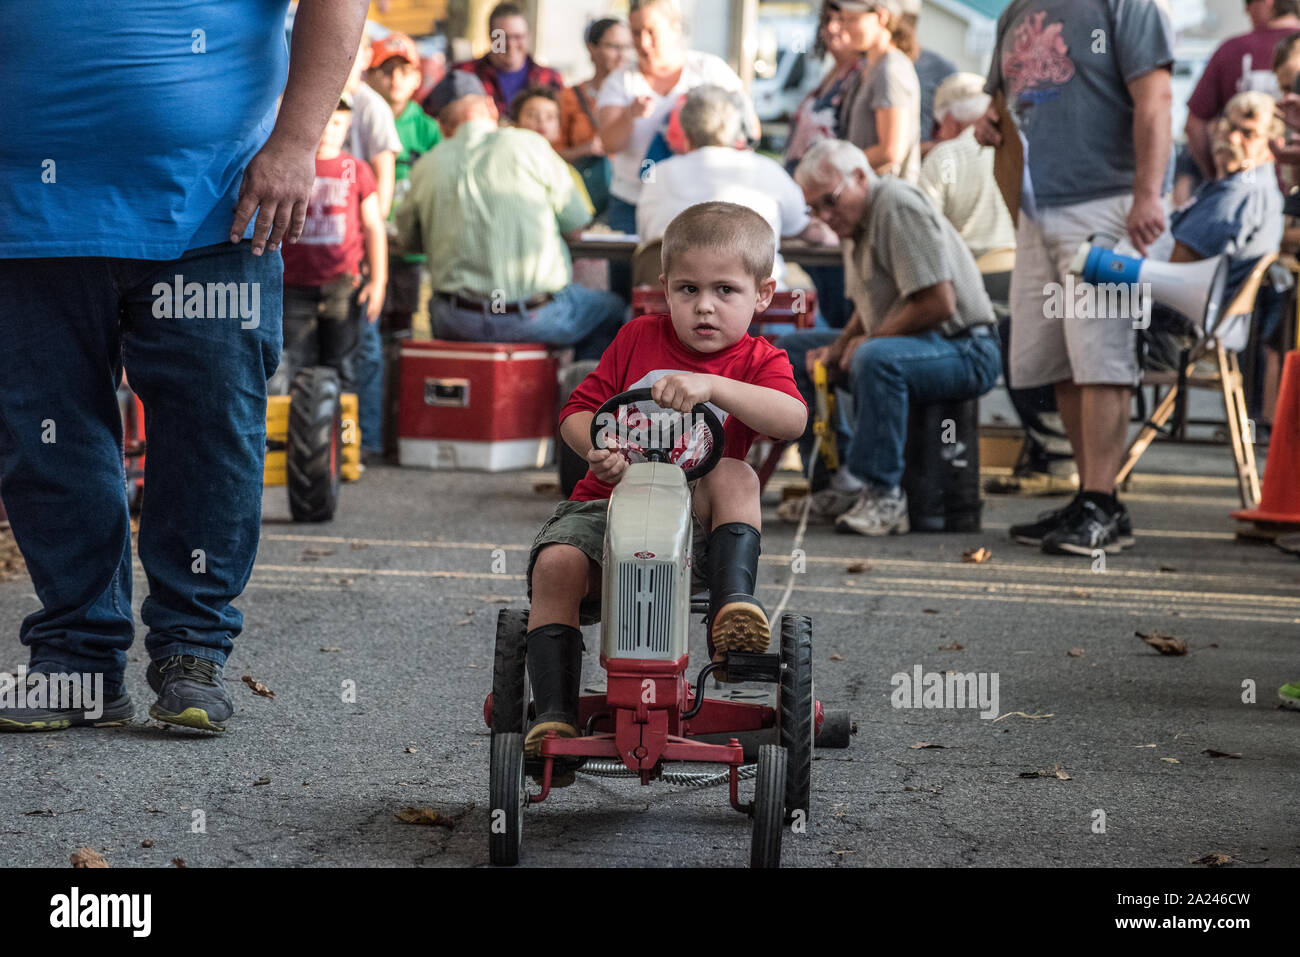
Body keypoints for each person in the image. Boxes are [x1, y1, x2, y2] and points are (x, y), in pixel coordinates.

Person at [0, 0, 366, 733]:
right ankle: (75, 658)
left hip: (216, 204)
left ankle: (192, 649)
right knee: (47, 436)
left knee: (210, 428)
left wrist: (297, 141)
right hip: (24, 209)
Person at [523, 202, 807, 775]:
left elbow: (791, 419)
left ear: (762, 294)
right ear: (664, 289)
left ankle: (732, 610)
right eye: (688, 289)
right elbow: (577, 412)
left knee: (734, 470)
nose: (704, 305)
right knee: (555, 565)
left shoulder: (758, 359)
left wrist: (715, 387)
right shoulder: (636, 338)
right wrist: (597, 452)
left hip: (694, 535)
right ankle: (554, 713)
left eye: (725, 290)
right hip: (608, 508)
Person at [976, 0, 1175, 557]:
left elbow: (1156, 98)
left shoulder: (1126, 5)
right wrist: (989, 119)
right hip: (1038, 213)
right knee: (1061, 359)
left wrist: (1147, 194)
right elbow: (1001, 103)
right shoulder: (1015, 11)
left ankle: (1101, 498)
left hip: (1108, 203)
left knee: (1102, 359)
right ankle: (1092, 498)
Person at [777, 140, 1001, 534]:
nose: (825, 216)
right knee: (793, 352)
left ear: (861, 177)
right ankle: (841, 481)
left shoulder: (895, 204)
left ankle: (883, 494)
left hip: (967, 347)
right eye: (816, 208)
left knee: (874, 356)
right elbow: (869, 308)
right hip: (928, 342)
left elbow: (938, 304)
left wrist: (865, 342)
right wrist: (840, 345)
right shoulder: (856, 220)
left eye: (830, 201)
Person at [397, 73, 625, 361]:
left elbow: (408, 242)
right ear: (491, 108)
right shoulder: (530, 146)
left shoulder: (425, 166)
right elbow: (577, 227)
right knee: (614, 308)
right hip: (533, 317)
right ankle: (577, 397)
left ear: (442, 125)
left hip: (456, 321)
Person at [596, 0, 757, 300]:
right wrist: (629, 115)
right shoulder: (621, 81)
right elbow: (609, 144)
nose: (643, 42)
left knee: (699, 288)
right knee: (630, 290)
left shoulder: (709, 69)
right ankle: (630, 342)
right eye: (635, 33)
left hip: (704, 203)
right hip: (632, 201)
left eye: (651, 31)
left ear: (675, 29)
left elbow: (749, 129)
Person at [637, 86, 837, 288]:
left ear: (686, 131)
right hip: (758, 311)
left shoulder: (657, 174)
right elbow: (808, 231)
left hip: (669, 307)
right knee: (810, 311)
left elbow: (647, 236)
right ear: (738, 130)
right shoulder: (768, 170)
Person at [1169, 91, 1285, 430]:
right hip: (1207, 323)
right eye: (1227, 126)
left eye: (1247, 133)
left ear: (1272, 144)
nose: (1231, 138)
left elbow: (1176, 267)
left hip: (1186, 326)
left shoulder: (1240, 193)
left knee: (1080, 305)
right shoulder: (1244, 184)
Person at [280, 97, 388, 394]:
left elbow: (373, 226)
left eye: (337, 122)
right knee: (294, 363)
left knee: (341, 364)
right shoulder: (291, 165)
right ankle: (294, 438)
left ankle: (344, 434)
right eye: (324, 120)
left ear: (348, 125)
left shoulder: (357, 170)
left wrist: (378, 280)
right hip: (294, 286)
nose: (328, 128)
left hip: (342, 285)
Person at [783, 0, 866, 330]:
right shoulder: (828, 72)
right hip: (811, 202)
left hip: (834, 205)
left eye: (842, 19)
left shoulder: (862, 75)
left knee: (840, 297)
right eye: (827, 20)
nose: (832, 28)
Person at [1185, 0, 1300, 180]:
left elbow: (1194, 125)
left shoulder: (1232, 50)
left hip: (1246, 180)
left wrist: (1218, 176)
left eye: (1248, 3)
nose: (1246, 11)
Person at [831, 0, 922, 182]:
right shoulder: (869, 66)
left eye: (853, 19)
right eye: (843, 19)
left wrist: (838, 169)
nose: (844, 27)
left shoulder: (891, 69)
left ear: (882, 16)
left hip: (885, 195)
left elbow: (891, 152)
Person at [557, 18, 634, 219]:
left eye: (626, 47)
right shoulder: (569, 97)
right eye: (613, 47)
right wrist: (585, 149)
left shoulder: (639, 98)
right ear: (592, 49)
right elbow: (551, 154)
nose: (622, 55)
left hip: (630, 197)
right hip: (583, 198)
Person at [443, 1, 564, 119]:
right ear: (490, 37)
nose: (510, 44)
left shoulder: (550, 78)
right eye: (502, 37)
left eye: (518, 36)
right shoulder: (462, 74)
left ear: (528, 36)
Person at [511, 86, 596, 216]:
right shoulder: (509, 165)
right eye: (532, 115)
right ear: (516, 123)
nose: (541, 121)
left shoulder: (568, 173)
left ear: (559, 127)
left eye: (550, 117)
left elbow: (582, 218)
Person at [899, 0, 958, 157]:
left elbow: (957, 133)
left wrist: (919, 151)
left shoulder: (942, 68)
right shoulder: (867, 61)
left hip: (916, 167)